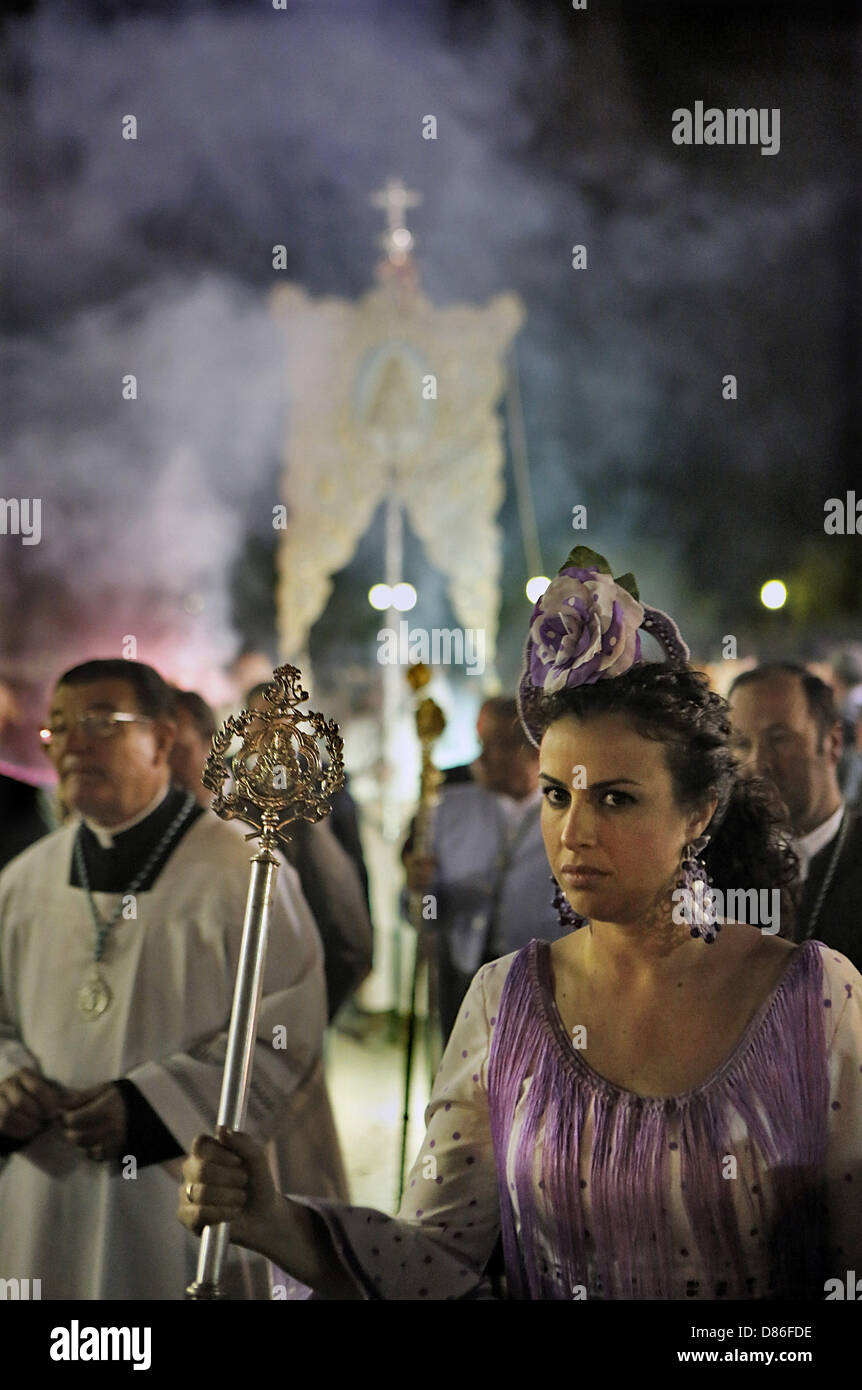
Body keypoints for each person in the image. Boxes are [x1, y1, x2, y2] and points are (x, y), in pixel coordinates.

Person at [180, 547, 862, 1300]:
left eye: (616, 799)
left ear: (697, 814)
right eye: (557, 795)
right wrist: (280, 1223)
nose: (574, 833)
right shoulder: (505, 1003)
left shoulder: (813, 998)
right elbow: (432, 1263)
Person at [0, 658, 346, 1300]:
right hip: (44, 1196)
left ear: (163, 738)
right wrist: (7, 1082)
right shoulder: (22, 883)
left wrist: (145, 1108)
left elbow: (284, 1035)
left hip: (176, 1203)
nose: (73, 744)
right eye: (58, 727)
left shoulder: (245, 877)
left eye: (101, 723)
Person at [404, 696, 565, 1039]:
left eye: (499, 746)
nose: (482, 758)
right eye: (482, 744)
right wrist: (421, 891)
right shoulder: (447, 811)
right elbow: (425, 919)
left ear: (536, 751)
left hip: (549, 992)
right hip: (465, 982)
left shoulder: (570, 816)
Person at [243, 682, 374, 1019]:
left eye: (283, 720)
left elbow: (353, 866)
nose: (273, 731)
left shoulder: (327, 783)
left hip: (314, 928)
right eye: (263, 719)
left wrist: (364, 935)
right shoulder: (230, 780)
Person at [728, 662, 862, 967]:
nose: (758, 763)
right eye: (741, 743)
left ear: (833, 742)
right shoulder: (716, 863)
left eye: (779, 739)